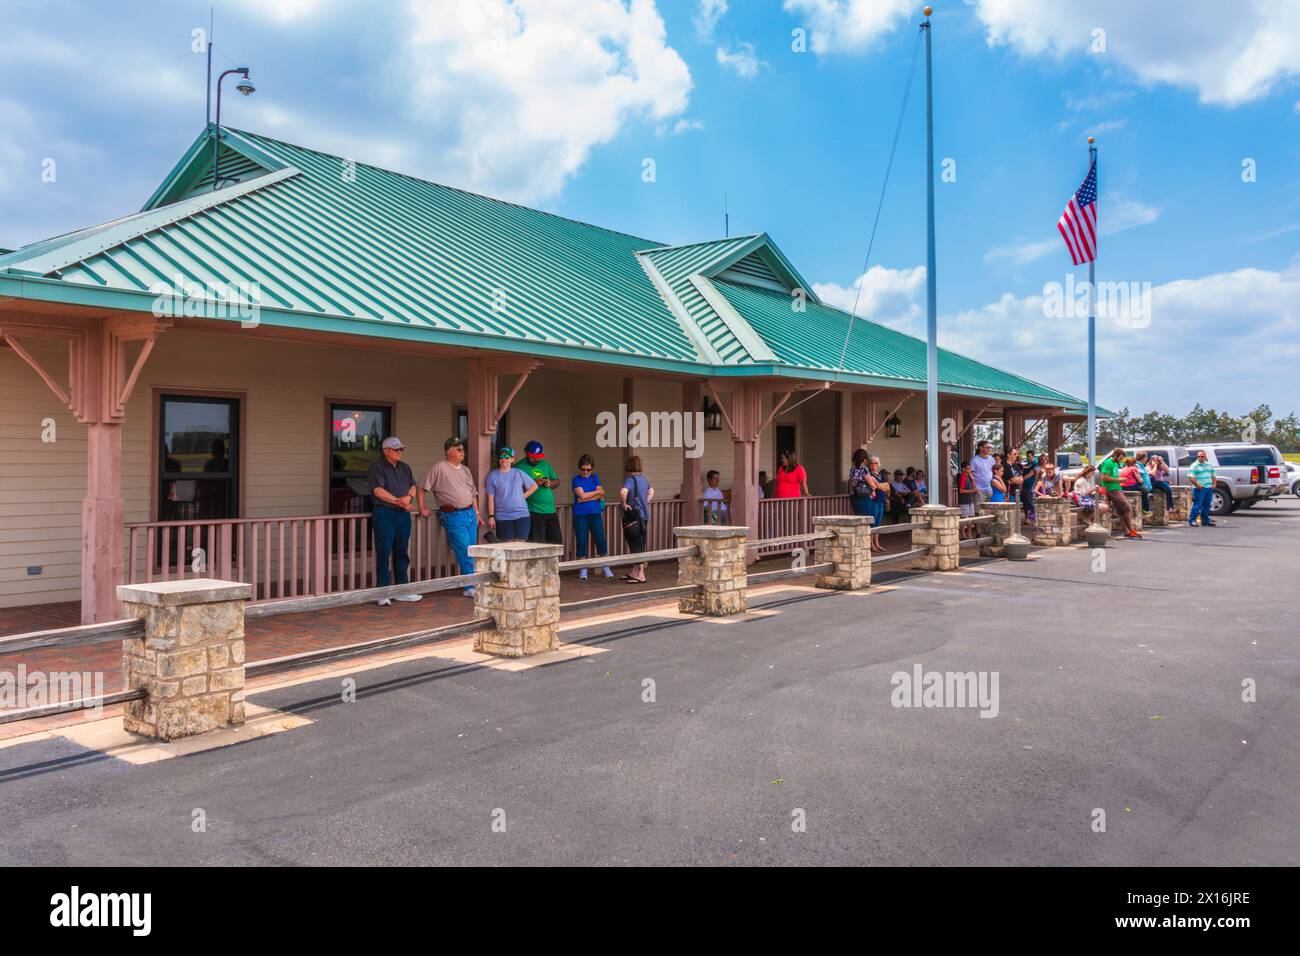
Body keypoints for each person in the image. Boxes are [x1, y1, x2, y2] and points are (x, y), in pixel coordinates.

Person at [418, 436, 485, 597]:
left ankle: (472, 582)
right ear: (449, 452)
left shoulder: (465, 469)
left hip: (470, 514)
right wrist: (421, 506)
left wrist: (477, 513)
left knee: (473, 550)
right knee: (464, 550)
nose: (463, 452)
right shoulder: (439, 468)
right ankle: (470, 586)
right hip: (453, 515)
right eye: (459, 449)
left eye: (463, 449)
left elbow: (473, 494)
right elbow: (421, 487)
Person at [367, 436, 423, 606]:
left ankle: (402, 592)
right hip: (385, 513)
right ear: (386, 451)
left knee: (402, 552)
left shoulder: (405, 467)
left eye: (401, 449)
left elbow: (413, 486)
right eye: (396, 449)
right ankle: (382, 593)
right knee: (384, 552)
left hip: (402, 516)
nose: (400, 452)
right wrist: (399, 502)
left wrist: (408, 497)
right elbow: (378, 491)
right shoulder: (377, 467)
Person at [511, 440, 562, 544]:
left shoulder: (545, 464)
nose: (536, 459)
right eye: (533, 456)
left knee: (556, 543)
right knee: (538, 544)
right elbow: (514, 490)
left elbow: (556, 481)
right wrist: (534, 484)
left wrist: (549, 483)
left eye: (538, 456)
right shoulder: (518, 467)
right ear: (526, 453)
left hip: (550, 510)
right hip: (533, 511)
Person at [571, 454, 613, 579]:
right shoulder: (576, 479)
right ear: (579, 468)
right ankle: (583, 570)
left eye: (588, 469)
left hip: (595, 513)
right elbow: (582, 495)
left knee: (600, 539)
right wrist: (595, 493)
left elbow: (602, 494)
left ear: (592, 469)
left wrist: (585, 498)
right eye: (583, 469)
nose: (585, 472)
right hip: (580, 515)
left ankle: (606, 567)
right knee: (581, 541)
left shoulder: (595, 477)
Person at [484, 446, 536, 542]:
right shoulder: (492, 475)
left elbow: (534, 486)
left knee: (520, 545)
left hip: (522, 515)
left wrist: (523, 496)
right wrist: (491, 516)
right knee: (507, 546)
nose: (503, 459)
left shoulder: (518, 473)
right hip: (502, 515)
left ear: (512, 459)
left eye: (507, 457)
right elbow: (490, 498)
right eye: (501, 457)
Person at [620, 456, 654, 583]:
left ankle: (641, 574)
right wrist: (646, 501)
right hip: (644, 517)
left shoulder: (629, 480)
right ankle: (635, 572)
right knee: (640, 543)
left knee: (635, 544)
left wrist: (624, 504)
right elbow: (651, 491)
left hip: (633, 517)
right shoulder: (643, 480)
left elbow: (623, 492)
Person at [1098, 447, 1141, 538]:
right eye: (1120, 458)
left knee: (1122, 510)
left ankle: (1127, 531)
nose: (1121, 460)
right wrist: (1119, 480)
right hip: (1111, 489)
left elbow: (1112, 477)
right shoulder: (1108, 463)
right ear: (1116, 456)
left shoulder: (1115, 464)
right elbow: (1104, 477)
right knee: (1127, 507)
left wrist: (1120, 481)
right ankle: (1131, 529)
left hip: (1117, 487)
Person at [1188, 448, 1216, 527]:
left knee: (1206, 505)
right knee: (1197, 505)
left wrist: (1214, 484)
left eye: (1202, 456)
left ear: (1205, 457)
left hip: (1209, 487)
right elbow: (1191, 477)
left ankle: (1205, 520)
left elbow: (1213, 475)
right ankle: (1192, 520)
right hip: (1200, 488)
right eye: (1198, 456)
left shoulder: (1209, 465)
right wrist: (1198, 485)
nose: (1200, 458)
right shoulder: (1194, 465)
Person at [848, 449, 873, 517]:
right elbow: (872, 485)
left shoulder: (852, 469)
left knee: (857, 517)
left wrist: (851, 494)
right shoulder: (864, 469)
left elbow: (850, 482)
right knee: (865, 519)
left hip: (854, 496)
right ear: (864, 459)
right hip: (864, 496)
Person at [957, 461, 978, 538]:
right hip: (964, 501)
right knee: (964, 518)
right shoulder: (963, 477)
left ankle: (969, 534)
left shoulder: (969, 477)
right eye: (968, 469)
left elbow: (975, 487)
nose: (970, 470)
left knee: (971, 517)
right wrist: (972, 491)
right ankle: (963, 535)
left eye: (970, 469)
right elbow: (961, 490)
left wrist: (972, 479)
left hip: (970, 500)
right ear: (963, 469)